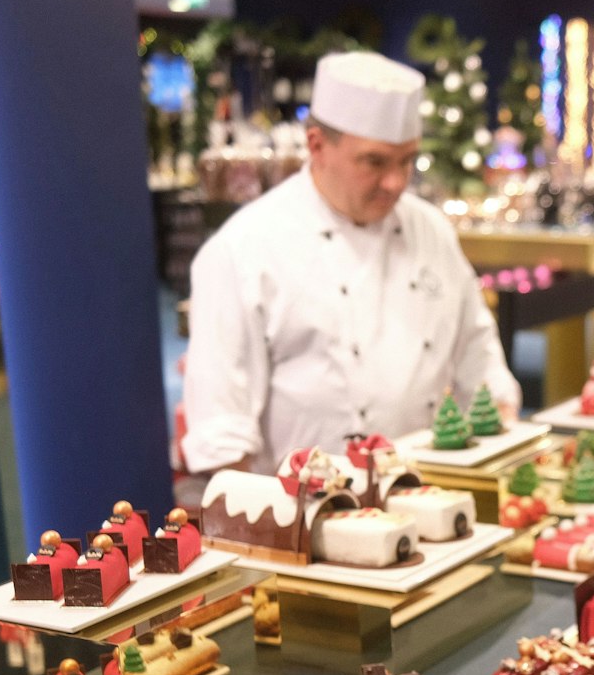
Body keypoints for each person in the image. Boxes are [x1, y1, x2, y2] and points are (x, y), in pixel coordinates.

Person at [181, 51, 521, 476]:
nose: (395, 182)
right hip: (305, 507)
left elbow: (478, 356)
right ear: (317, 146)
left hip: (430, 489)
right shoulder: (243, 248)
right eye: (374, 162)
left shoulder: (430, 230)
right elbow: (222, 432)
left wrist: (501, 427)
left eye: (406, 161)